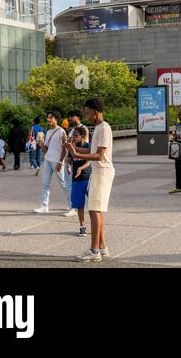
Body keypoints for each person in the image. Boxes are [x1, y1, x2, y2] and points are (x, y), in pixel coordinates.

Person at [73, 97, 113, 262]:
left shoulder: (103, 128)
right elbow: (93, 148)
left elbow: (99, 154)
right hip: (100, 172)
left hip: (102, 171)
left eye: (88, 113)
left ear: (95, 113)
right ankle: (102, 248)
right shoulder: (99, 127)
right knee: (98, 210)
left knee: (94, 211)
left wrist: (77, 154)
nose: (86, 116)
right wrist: (75, 148)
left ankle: (94, 250)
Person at [34, 112, 68, 213]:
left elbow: (64, 149)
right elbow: (46, 149)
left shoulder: (61, 131)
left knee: (64, 183)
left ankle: (72, 204)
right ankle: (44, 206)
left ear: (56, 119)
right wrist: (41, 143)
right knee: (45, 184)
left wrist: (60, 162)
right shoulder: (48, 132)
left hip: (57, 161)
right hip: (47, 160)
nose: (48, 120)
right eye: (47, 118)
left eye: (50, 118)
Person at [66, 124, 91, 236]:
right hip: (76, 180)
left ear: (82, 136)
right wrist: (69, 166)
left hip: (88, 178)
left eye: (76, 135)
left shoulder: (87, 146)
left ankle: (98, 225)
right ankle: (82, 226)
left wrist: (81, 167)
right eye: (73, 135)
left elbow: (90, 160)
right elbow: (70, 159)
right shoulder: (72, 146)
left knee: (93, 204)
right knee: (79, 205)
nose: (74, 137)